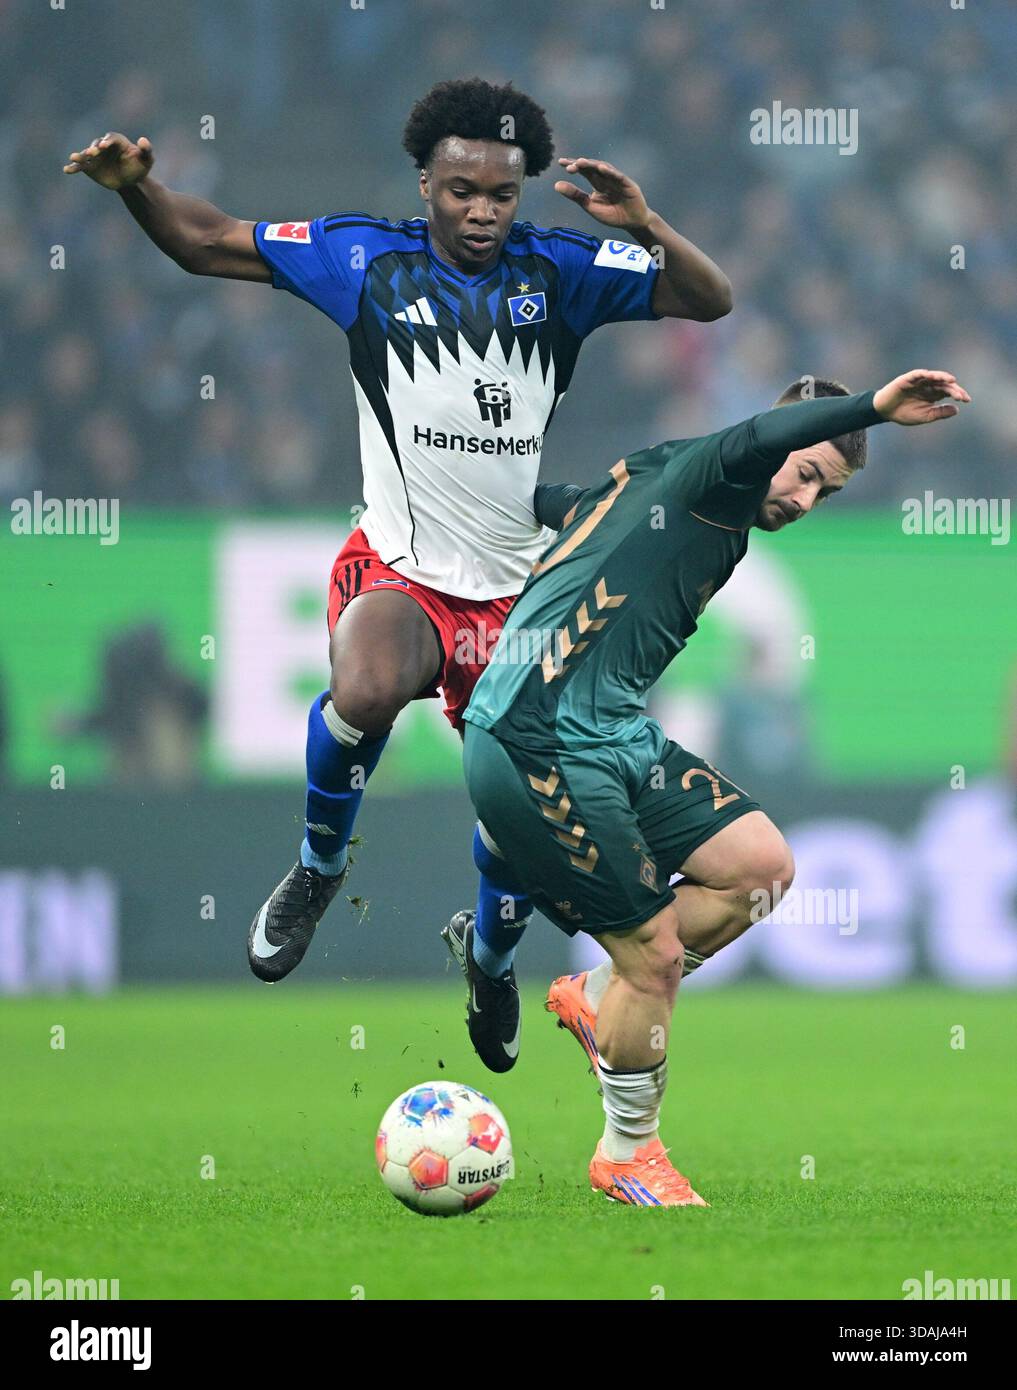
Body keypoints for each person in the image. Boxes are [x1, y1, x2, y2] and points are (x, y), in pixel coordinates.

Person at [63, 78, 732, 1025]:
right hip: (402, 568)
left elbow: (710, 299)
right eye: (462, 190)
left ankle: (492, 955)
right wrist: (136, 187)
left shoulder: (563, 272)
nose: (481, 211)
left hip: (520, 591)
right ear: (425, 183)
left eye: (501, 195)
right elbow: (206, 242)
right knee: (367, 686)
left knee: (512, 800)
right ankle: (318, 867)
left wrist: (647, 221)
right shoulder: (363, 258)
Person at [459, 369, 969, 1205]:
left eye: (825, 495)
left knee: (760, 869)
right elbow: (756, 442)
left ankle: (599, 996)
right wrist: (876, 406)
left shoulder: (667, 481)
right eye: (804, 473)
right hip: (537, 733)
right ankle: (628, 1151)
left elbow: (565, 503)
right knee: (654, 955)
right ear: (775, 439)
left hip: (613, 730)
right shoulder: (715, 467)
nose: (805, 501)